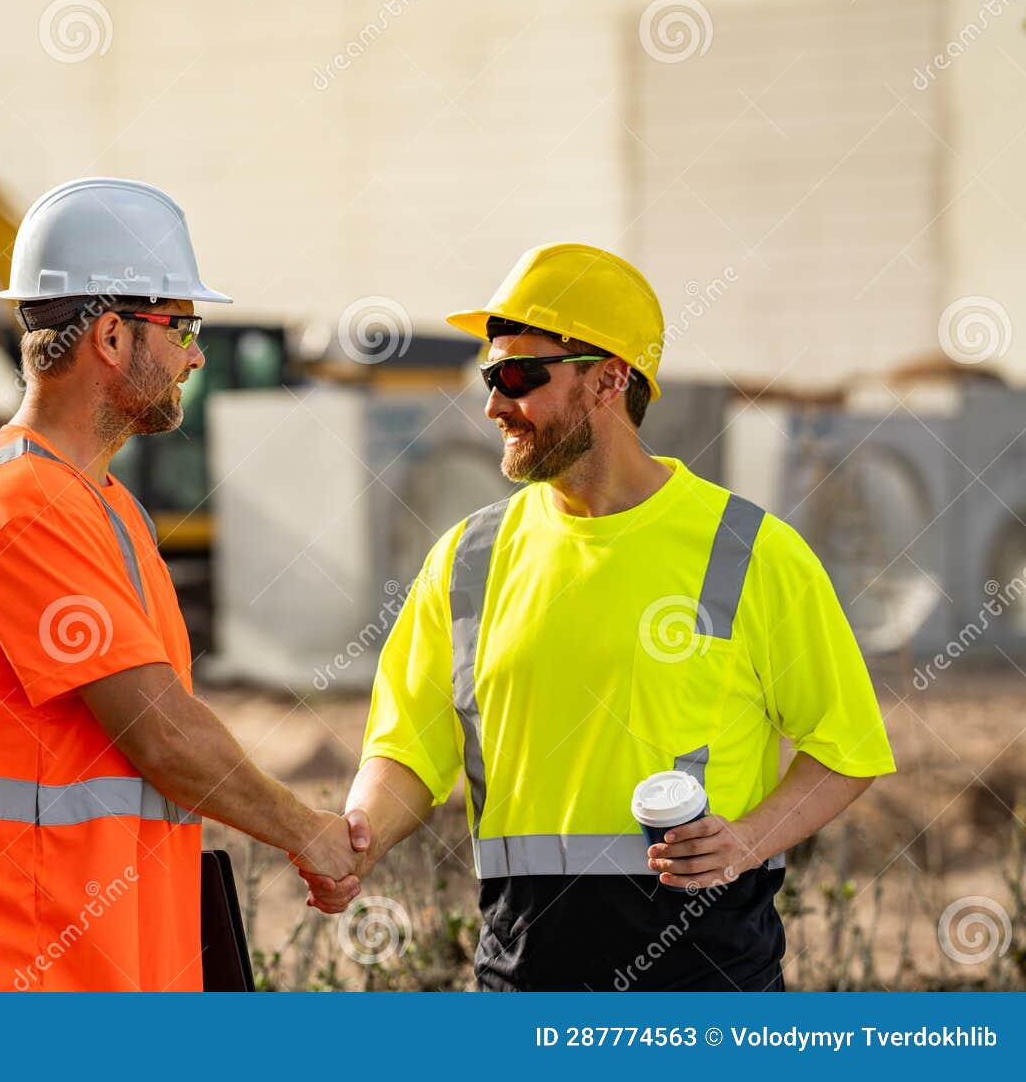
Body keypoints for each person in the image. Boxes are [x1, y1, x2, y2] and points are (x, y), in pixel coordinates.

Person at [302, 242, 897, 991]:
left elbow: (848, 749)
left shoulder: (749, 553)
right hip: (522, 982)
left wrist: (747, 840)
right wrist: (354, 842)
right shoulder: (469, 559)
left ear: (609, 379)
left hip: (705, 986)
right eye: (488, 378)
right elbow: (410, 750)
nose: (493, 404)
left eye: (517, 376)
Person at [0, 177, 360, 991]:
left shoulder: (101, 504)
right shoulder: (23, 505)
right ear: (110, 336)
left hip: (103, 969)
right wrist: (303, 831)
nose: (194, 353)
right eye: (181, 326)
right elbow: (165, 737)